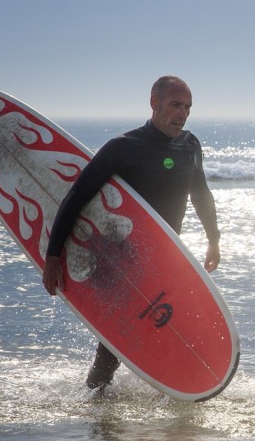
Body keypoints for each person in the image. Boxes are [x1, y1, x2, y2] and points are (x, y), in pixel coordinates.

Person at [42, 75, 221, 390]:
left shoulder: (190, 145)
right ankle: (96, 403)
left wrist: (213, 240)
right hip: (125, 264)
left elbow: (201, 194)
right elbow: (76, 198)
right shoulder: (123, 148)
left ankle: (176, 395)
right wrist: (54, 255)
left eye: (188, 107)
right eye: (175, 105)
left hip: (168, 260)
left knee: (178, 331)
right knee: (112, 348)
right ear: (154, 103)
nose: (183, 113)